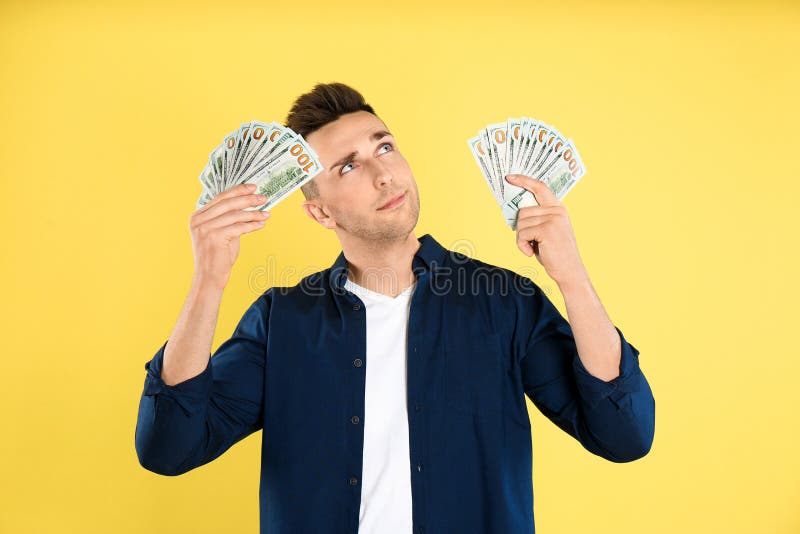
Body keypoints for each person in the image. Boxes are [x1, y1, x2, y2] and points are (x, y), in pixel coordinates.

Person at [135, 82, 655, 534]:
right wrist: (209, 281)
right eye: (348, 166)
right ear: (318, 210)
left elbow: (624, 434)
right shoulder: (282, 322)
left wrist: (573, 278)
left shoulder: (503, 303)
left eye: (383, 146)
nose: (383, 174)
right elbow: (169, 448)